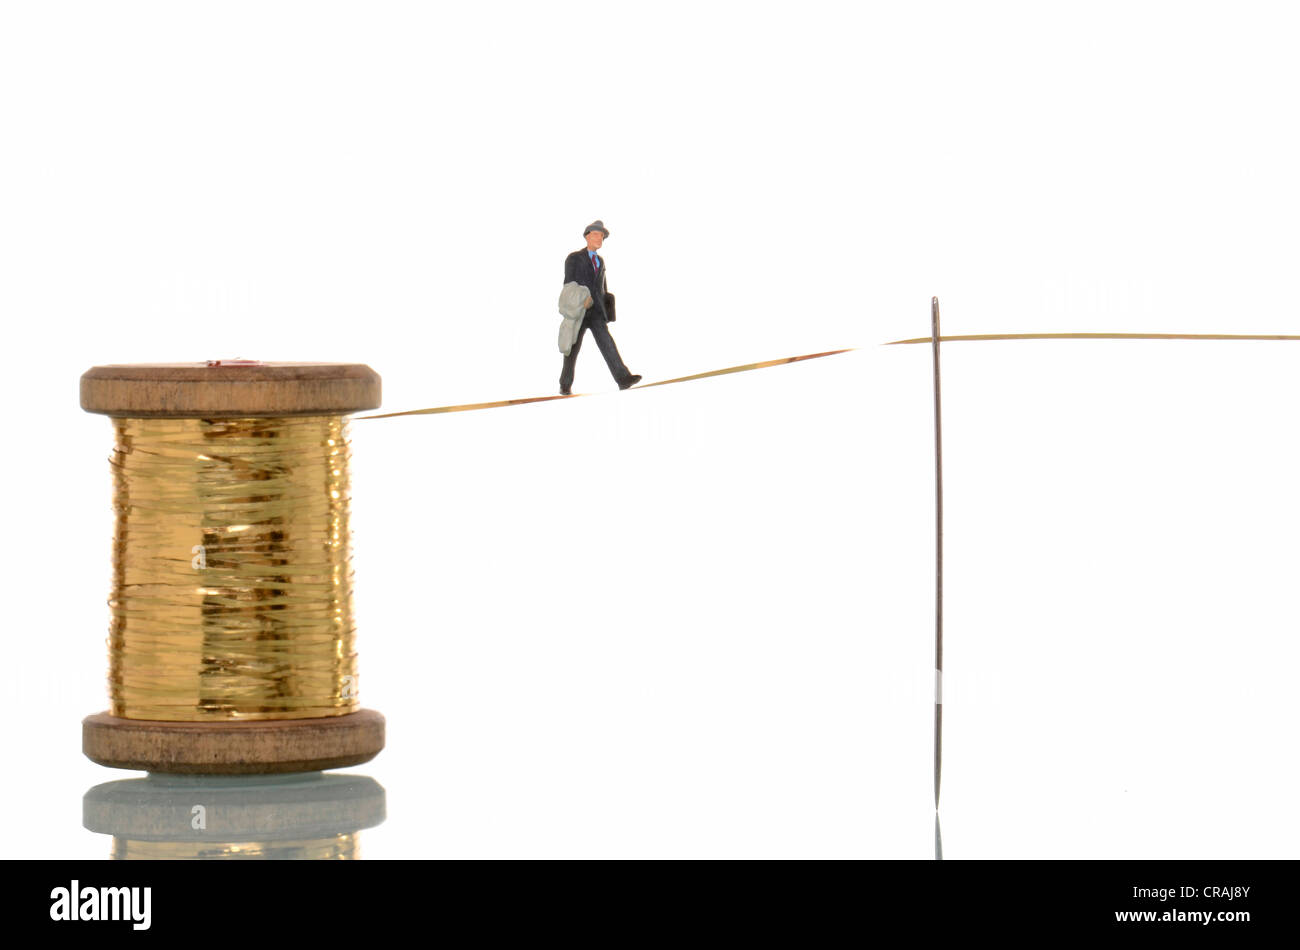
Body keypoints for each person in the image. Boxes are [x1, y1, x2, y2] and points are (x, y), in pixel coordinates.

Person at [559, 220, 641, 395]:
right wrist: (580, 301)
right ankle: (565, 384)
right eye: (596, 234)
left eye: (602, 236)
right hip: (580, 310)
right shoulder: (574, 258)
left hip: (596, 311)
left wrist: (607, 308)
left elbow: (602, 287)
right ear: (587, 236)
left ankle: (623, 378)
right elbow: (568, 284)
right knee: (572, 348)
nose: (600, 238)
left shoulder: (600, 261)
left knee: (607, 342)